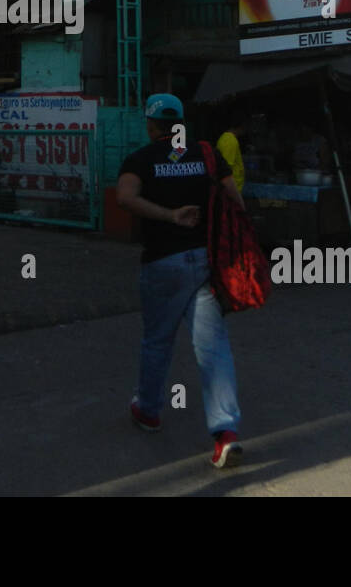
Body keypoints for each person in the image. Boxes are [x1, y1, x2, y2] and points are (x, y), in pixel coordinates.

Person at [116, 93, 248, 469]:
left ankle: (149, 412)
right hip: (204, 262)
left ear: (151, 124)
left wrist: (169, 215)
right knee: (214, 347)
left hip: (162, 264)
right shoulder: (205, 155)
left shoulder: (140, 159)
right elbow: (235, 199)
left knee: (157, 342)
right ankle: (226, 434)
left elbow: (125, 198)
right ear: (181, 124)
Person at [215, 115, 250, 193]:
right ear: (241, 126)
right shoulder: (230, 141)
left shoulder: (227, 138)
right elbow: (226, 168)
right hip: (231, 191)